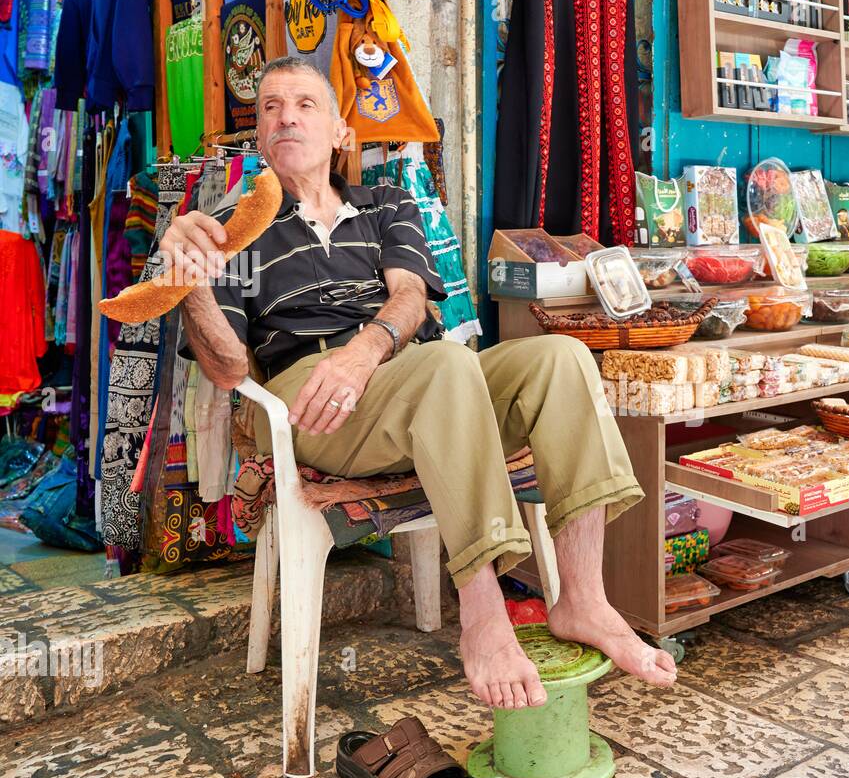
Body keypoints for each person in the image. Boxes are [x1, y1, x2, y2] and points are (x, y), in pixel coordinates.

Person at [166, 55, 676, 709]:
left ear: (341, 132)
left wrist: (364, 351)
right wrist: (193, 289)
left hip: (402, 369)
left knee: (562, 358)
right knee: (446, 364)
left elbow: (409, 300)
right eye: (270, 108)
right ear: (260, 137)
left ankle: (582, 597)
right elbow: (229, 369)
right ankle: (484, 609)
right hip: (312, 397)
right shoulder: (236, 228)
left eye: (304, 104)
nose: (286, 117)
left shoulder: (386, 205)